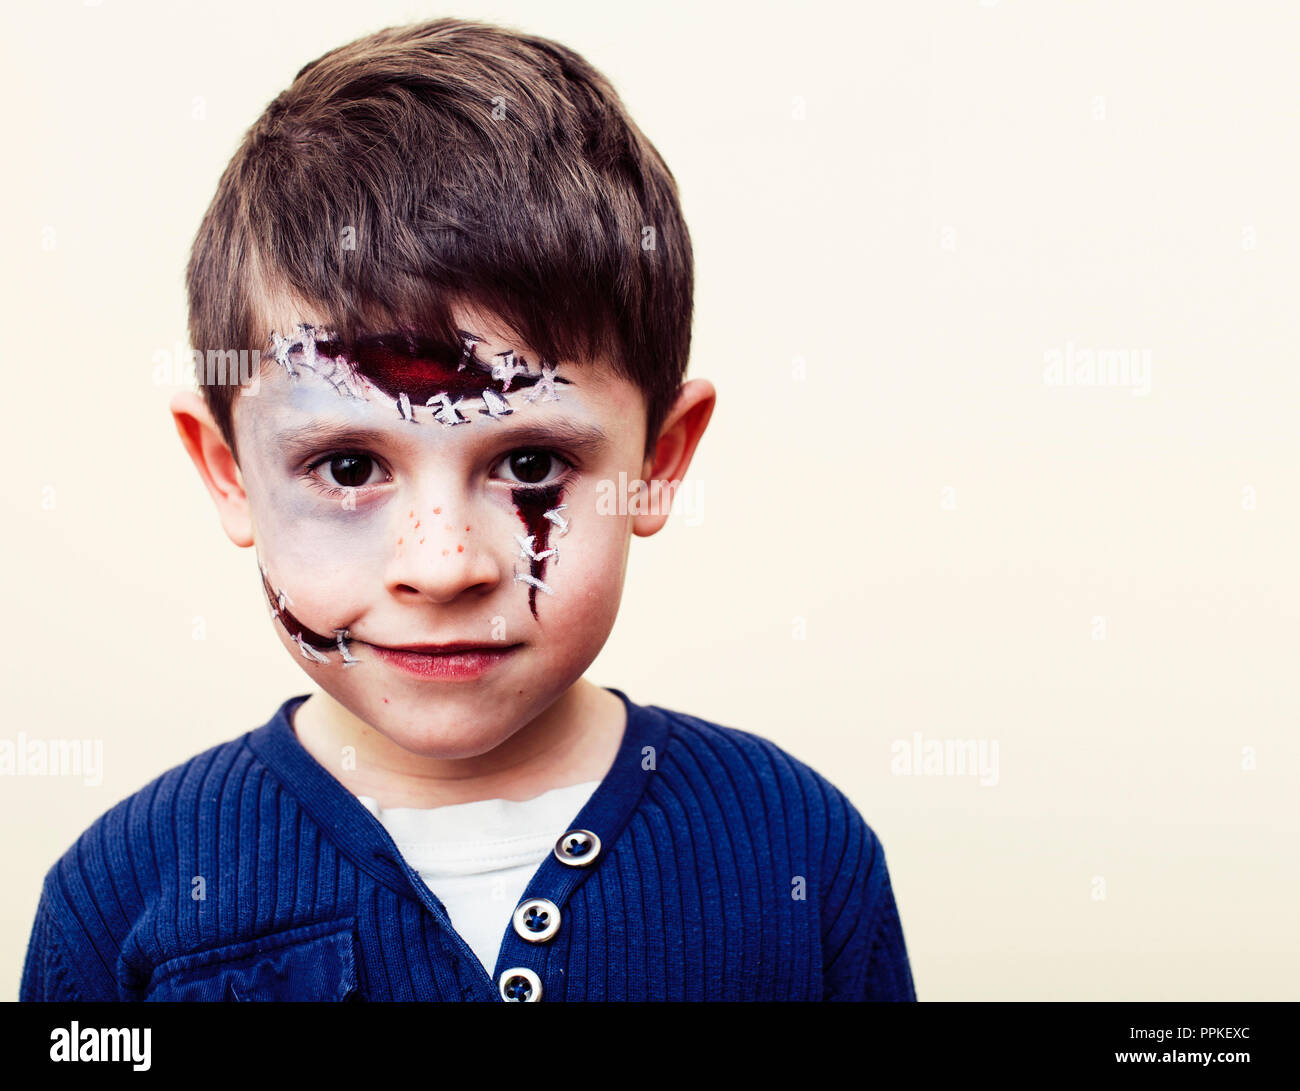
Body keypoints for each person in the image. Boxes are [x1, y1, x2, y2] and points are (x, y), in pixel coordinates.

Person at [20, 17, 916, 1002]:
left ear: (658, 459)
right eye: (350, 465)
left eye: (530, 460)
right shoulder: (120, 900)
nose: (443, 566)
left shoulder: (798, 851)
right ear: (229, 470)